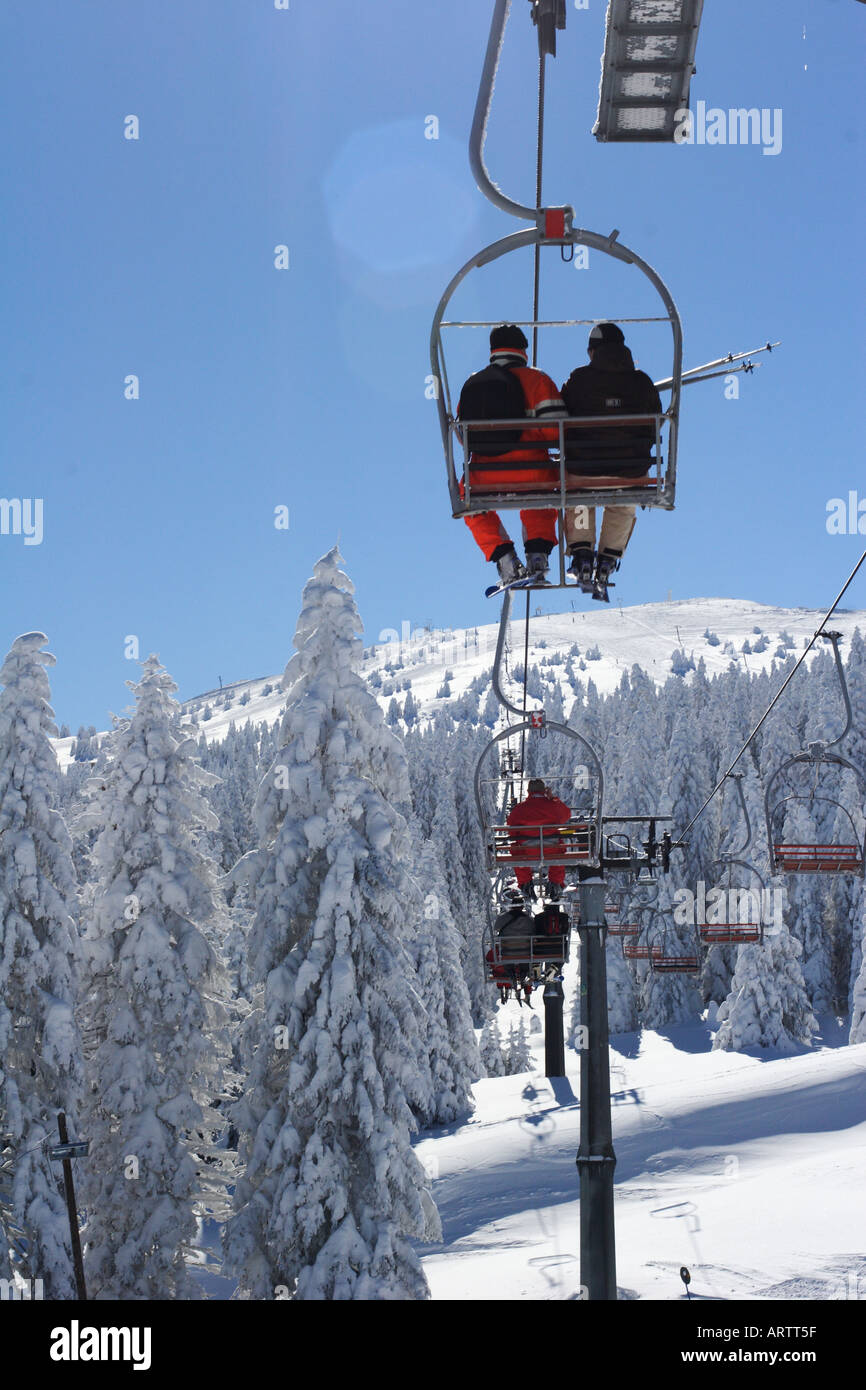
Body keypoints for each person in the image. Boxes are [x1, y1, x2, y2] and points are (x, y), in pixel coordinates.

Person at [457, 325, 566, 586]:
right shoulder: (537, 381)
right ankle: (537, 556)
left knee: (466, 498)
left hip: (484, 479)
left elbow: (463, 437)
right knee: (541, 494)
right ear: (523, 350)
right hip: (534, 474)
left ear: (493, 351)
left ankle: (505, 558)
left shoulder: (473, 384)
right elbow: (557, 431)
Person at [560, 322, 663, 598]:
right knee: (622, 501)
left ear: (592, 352)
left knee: (581, 496)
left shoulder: (578, 380)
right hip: (631, 470)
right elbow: (657, 422)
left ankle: (583, 553)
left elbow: (561, 416)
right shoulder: (642, 382)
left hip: (584, 469)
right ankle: (607, 559)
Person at [506, 778, 572, 900]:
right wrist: (553, 798)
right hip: (551, 850)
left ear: (528, 791)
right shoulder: (553, 806)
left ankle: (525, 883)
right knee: (559, 848)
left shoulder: (520, 809)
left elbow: (511, 829)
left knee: (516, 849)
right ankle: (555, 883)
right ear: (544, 791)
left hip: (528, 851)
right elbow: (566, 815)